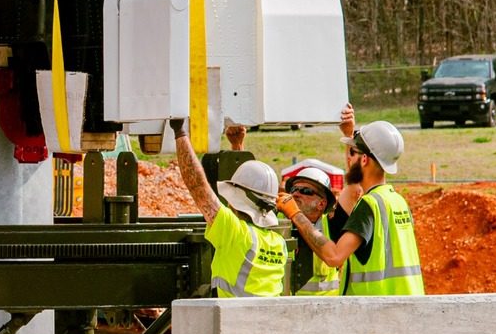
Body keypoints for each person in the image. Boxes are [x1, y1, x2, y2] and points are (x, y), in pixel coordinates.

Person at [277, 104, 424, 295]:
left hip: (379, 311)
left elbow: (335, 256)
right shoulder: (397, 201)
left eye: (353, 153)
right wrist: (349, 134)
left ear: (364, 160)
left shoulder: (370, 204)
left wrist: (295, 213)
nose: (349, 159)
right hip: (408, 306)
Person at [169, 117, 287, 297]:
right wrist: (237, 146)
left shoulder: (234, 232)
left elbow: (198, 186)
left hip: (235, 322)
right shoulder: (278, 243)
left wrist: (180, 132)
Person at [280, 165, 344, 295]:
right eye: (294, 189)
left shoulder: (333, 226)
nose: (296, 194)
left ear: (322, 204)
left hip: (323, 310)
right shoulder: (278, 224)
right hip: (284, 310)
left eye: (306, 191)